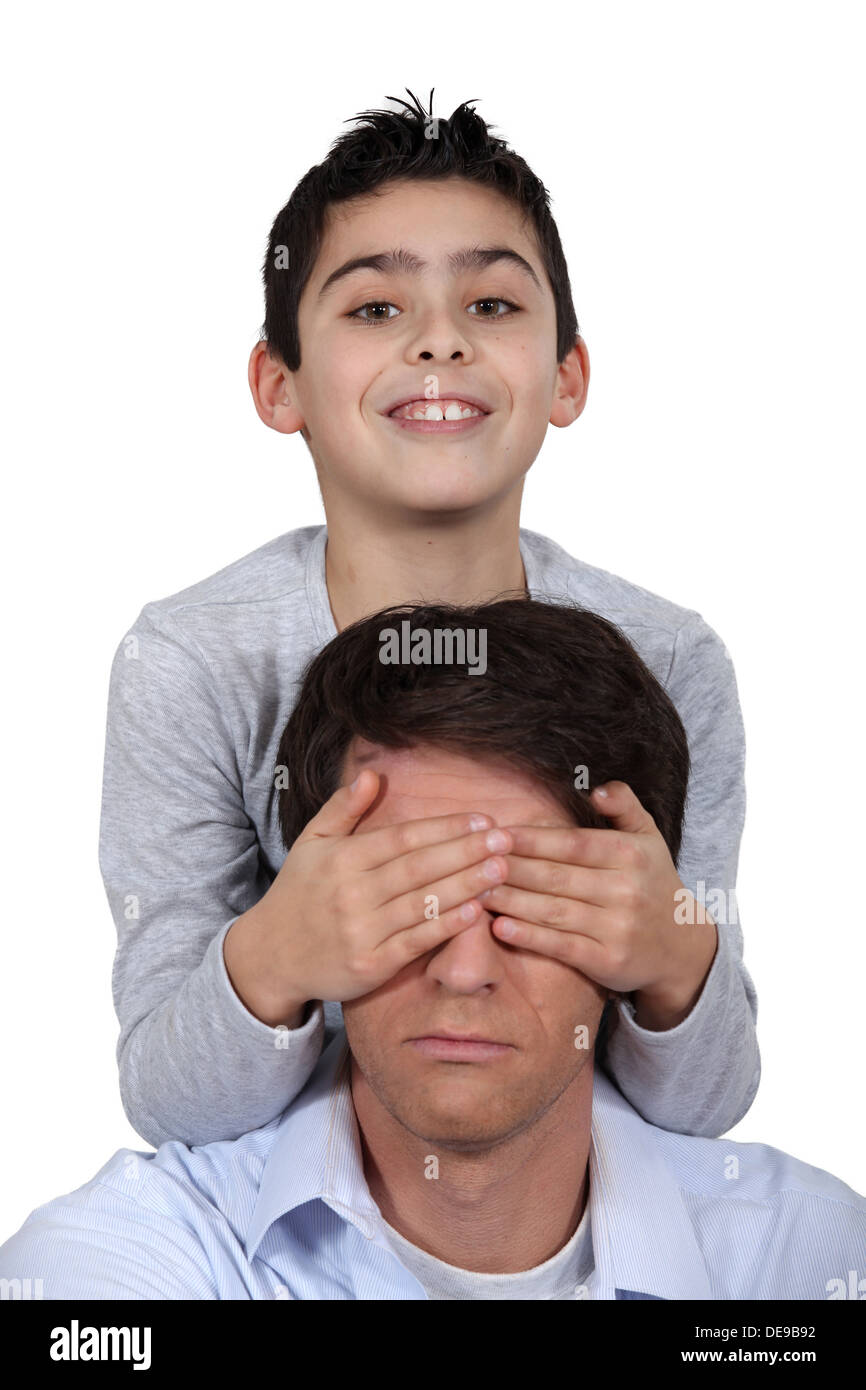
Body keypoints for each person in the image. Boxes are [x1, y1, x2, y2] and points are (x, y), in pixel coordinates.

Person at [99, 90, 757, 1151]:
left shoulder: (672, 659)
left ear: (566, 375)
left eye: (491, 306)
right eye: (373, 310)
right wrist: (277, 955)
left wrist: (674, 953)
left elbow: (704, 1102)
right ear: (280, 384)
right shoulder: (191, 663)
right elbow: (167, 1101)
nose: (439, 344)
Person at [5, 602, 860, 1300]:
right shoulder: (116, 1268)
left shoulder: (809, 1261)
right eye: (402, 895)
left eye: (534, 900)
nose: (464, 969)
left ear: (636, 929)